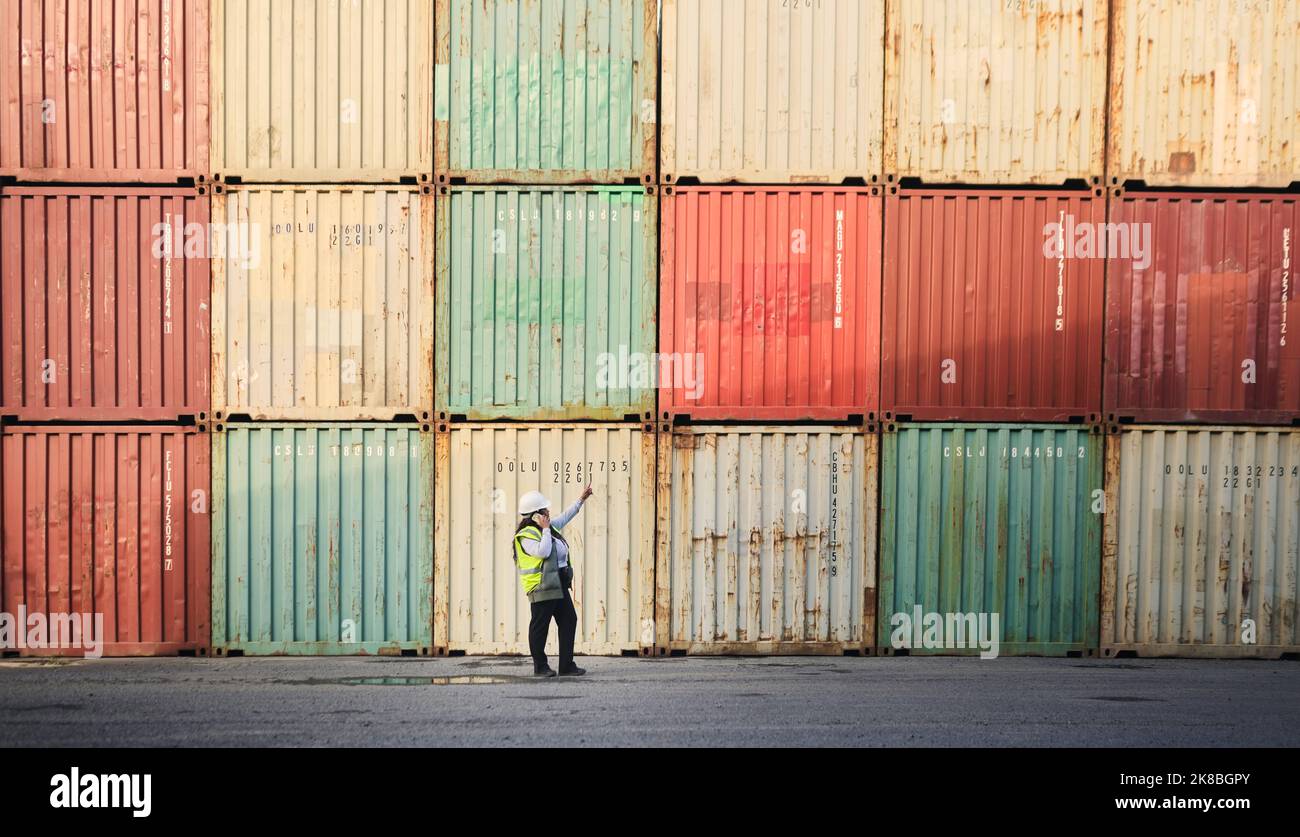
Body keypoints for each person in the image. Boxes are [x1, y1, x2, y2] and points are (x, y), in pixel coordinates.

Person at [514, 483, 593, 677]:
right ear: (535, 515)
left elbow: (566, 516)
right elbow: (543, 552)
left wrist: (581, 499)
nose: (548, 512)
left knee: (569, 620)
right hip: (541, 587)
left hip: (557, 585)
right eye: (545, 510)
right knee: (540, 626)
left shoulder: (548, 528)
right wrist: (546, 529)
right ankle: (540, 667)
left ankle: (566, 666)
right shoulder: (526, 535)